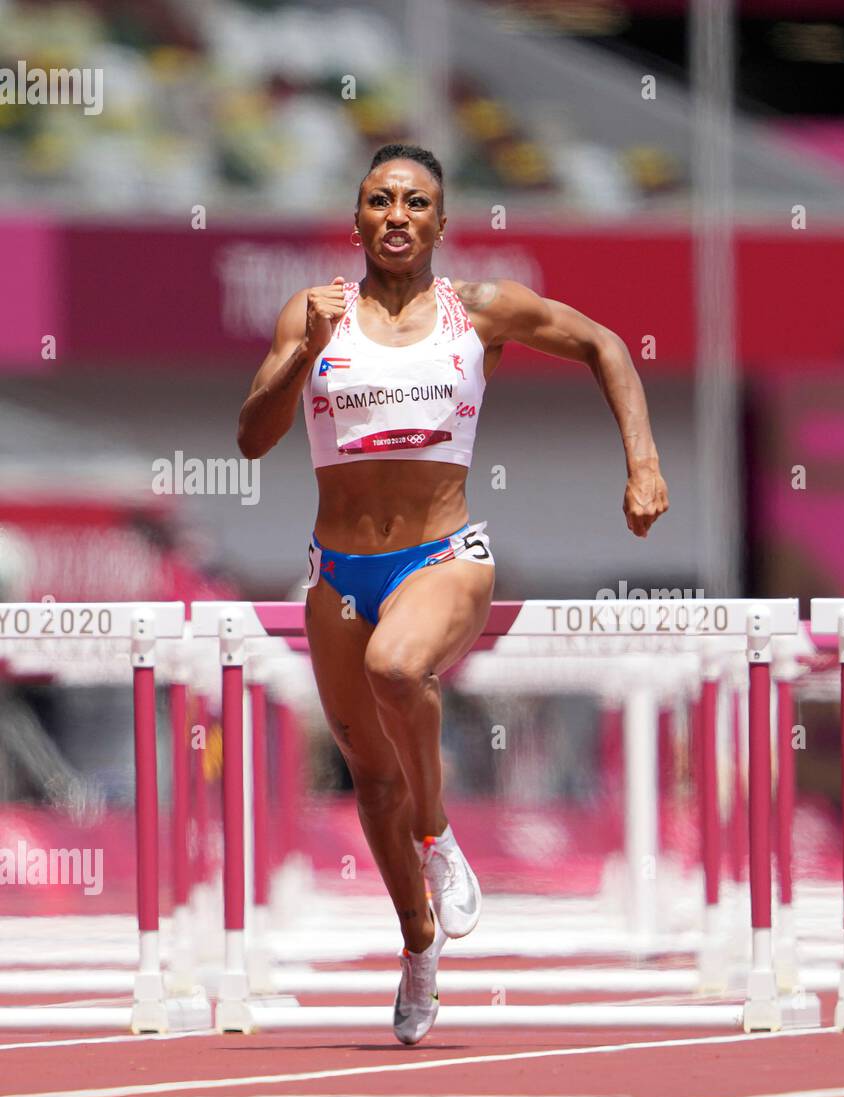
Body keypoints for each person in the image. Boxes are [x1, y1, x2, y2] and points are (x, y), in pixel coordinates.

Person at [237, 144, 669, 1043]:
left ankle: (439, 835)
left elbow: (604, 344)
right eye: (381, 200)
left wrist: (643, 464)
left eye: (417, 202)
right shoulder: (313, 312)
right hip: (337, 571)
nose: (398, 215)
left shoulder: (478, 311)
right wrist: (298, 359)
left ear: (441, 223)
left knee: (400, 668)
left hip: (443, 555)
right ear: (355, 219)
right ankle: (417, 943)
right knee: (372, 776)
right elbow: (250, 437)